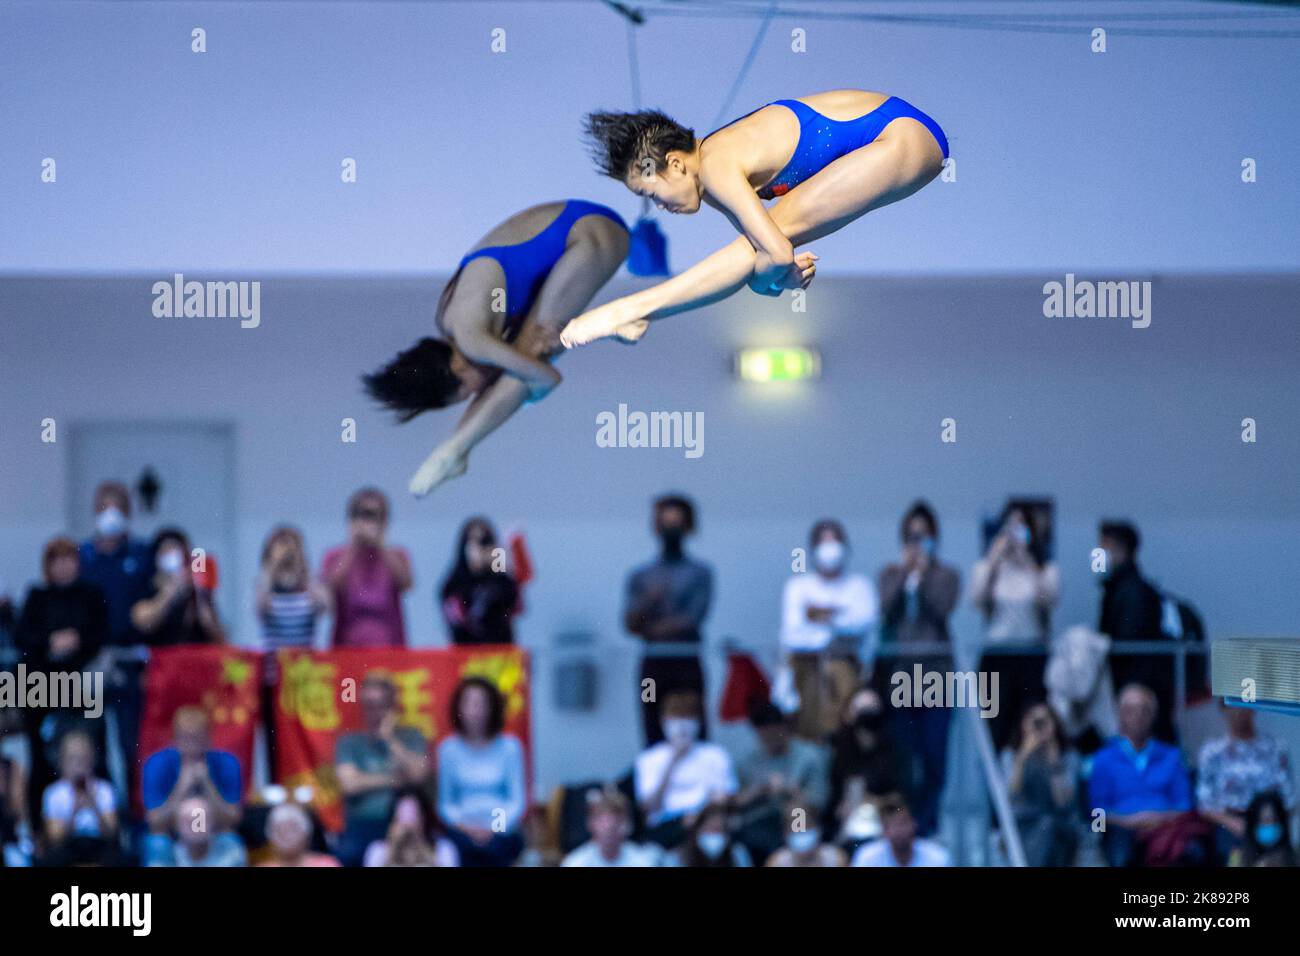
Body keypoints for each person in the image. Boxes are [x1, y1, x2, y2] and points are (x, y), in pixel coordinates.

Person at [560, 90, 947, 347]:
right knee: (760, 243)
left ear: (675, 164)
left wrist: (770, 279)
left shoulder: (715, 164)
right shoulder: (712, 180)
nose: (658, 207)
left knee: (763, 242)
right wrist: (774, 277)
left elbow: (771, 257)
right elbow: (765, 257)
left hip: (900, 137)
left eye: (650, 193)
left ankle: (630, 309)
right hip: (906, 139)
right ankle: (633, 311)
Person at [363, 201, 629, 495]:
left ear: (457, 368)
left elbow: (548, 378)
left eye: (466, 394)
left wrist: (533, 385)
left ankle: (453, 451)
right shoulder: (448, 320)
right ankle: (455, 448)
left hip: (594, 233)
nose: (476, 393)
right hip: (582, 227)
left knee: (531, 355)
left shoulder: (472, 339)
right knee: (526, 358)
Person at [876, 500, 960, 838]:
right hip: (900, 677)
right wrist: (904, 576)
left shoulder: (947, 575)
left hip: (936, 677)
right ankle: (904, 827)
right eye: (912, 536)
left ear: (935, 538)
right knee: (905, 759)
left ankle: (928, 827)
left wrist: (923, 577)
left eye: (924, 536)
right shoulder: (889, 574)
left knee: (934, 758)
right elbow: (885, 610)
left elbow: (941, 609)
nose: (917, 542)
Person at [15, 537, 109, 818]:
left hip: (81, 689)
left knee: (88, 757)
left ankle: (96, 823)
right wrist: (50, 641)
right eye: (57, 560)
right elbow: (23, 635)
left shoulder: (91, 595)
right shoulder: (36, 596)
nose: (63, 566)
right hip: (41, 688)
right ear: (48, 566)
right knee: (41, 760)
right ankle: (39, 829)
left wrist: (77, 640)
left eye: (69, 559)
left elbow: (102, 633)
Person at [78, 481, 155, 797]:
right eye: (103, 507)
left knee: (130, 741)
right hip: (92, 660)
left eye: (117, 508)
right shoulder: (82, 555)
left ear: (127, 513)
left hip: (129, 660)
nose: (110, 515)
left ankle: (134, 815)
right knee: (91, 740)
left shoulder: (141, 554)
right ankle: (102, 813)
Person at [624, 494, 713, 745]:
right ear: (656, 526)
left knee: (693, 728)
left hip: (685, 663)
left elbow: (692, 620)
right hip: (653, 665)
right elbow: (630, 624)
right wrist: (650, 602)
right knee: (652, 727)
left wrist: (650, 625)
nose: (670, 529)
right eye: (665, 522)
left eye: (677, 522)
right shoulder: (642, 576)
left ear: (688, 527)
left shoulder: (699, 573)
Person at [970, 502, 1060, 748]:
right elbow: (977, 598)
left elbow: (1050, 599)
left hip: (1031, 654)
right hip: (996, 656)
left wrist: (1028, 562)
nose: (1014, 535)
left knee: (1032, 725)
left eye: (1021, 529)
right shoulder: (988, 567)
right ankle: (994, 785)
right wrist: (994, 560)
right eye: (1009, 528)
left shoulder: (1045, 569)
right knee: (995, 729)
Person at [779, 519, 877, 740]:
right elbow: (793, 635)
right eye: (824, 542)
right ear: (813, 549)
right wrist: (838, 623)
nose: (830, 548)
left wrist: (821, 617)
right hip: (807, 673)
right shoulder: (798, 587)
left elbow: (862, 622)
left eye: (835, 541)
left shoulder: (859, 586)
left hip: (849, 671)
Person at [1088, 684, 1197, 868]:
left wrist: (1157, 819)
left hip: (1166, 831)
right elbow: (1096, 813)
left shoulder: (1172, 756)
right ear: (1120, 714)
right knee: (1120, 853)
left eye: (1144, 710)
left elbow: (1185, 806)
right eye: (1130, 710)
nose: (1137, 717)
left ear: (1153, 715)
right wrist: (1129, 821)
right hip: (1122, 832)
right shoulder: (1103, 759)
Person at [256, 525, 331, 780]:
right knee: (275, 740)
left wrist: (303, 568)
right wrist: (272, 565)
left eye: (291, 546)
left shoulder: (310, 587)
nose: (286, 552)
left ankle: (307, 788)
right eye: (280, 546)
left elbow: (325, 606)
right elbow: (260, 607)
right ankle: (277, 787)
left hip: (304, 681)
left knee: (304, 739)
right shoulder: (264, 587)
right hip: (272, 680)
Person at [334, 673, 430, 866]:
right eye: (369, 706)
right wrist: (395, 780)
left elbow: (419, 776)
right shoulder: (349, 742)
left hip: (405, 826)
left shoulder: (412, 737)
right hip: (363, 822)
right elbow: (350, 784)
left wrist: (390, 739)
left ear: (393, 707)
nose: (375, 713)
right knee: (348, 854)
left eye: (381, 705)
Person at [1097, 520, 1175, 742]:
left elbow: (1128, 637)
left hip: (1137, 682)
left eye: (1101, 548)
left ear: (1114, 546)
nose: (1098, 556)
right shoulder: (1118, 588)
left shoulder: (1135, 591)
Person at [436, 677, 526, 867]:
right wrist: (468, 828)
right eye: (469, 703)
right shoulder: (448, 749)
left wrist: (492, 829)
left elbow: (516, 801)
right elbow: (446, 804)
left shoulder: (510, 747)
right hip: (462, 829)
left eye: (481, 703)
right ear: (458, 708)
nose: (475, 710)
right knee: (456, 848)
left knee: (497, 849)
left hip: (501, 829)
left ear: (492, 708)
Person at [140, 707, 243, 865]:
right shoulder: (157, 764)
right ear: (174, 739)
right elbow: (155, 823)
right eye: (185, 739)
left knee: (230, 842)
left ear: (209, 739)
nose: (192, 745)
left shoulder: (227, 763)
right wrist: (181, 788)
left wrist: (208, 784)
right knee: (157, 843)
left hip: (213, 836)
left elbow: (232, 819)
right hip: (173, 838)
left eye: (197, 738)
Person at [634, 690, 737, 846]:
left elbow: (729, 795)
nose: (682, 727)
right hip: (666, 828)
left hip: (705, 823)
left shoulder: (715, 755)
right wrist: (673, 761)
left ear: (698, 722)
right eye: (675, 719)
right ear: (663, 722)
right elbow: (648, 807)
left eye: (687, 719)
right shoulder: (649, 759)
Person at [732, 701, 830, 862]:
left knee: (799, 820)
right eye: (764, 734)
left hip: (798, 818)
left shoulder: (808, 756)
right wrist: (757, 792)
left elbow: (819, 802)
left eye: (774, 731)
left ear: (784, 727)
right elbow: (736, 804)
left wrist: (790, 790)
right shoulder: (748, 761)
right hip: (761, 823)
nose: (770, 738)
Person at [1196, 702, 1294, 863]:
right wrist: (1236, 824)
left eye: (1244, 704)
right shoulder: (1212, 752)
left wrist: (1266, 823)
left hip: (1269, 822)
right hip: (1230, 825)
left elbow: (1288, 798)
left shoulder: (1276, 747)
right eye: (1232, 704)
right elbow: (1205, 804)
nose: (1239, 710)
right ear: (1223, 708)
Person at [320, 489, 412, 649]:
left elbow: (406, 583)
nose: (367, 521)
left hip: (390, 645)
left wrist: (380, 543)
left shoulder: (396, 555)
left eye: (373, 515)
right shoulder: (336, 556)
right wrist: (353, 545)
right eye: (361, 514)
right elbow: (332, 585)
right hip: (346, 646)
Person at [999, 701, 1079, 867]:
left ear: (1054, 725)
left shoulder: (1069, 757)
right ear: (1023, 725)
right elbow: (1011, 797)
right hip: (1023, 826)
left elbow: (1064, 804)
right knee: (1041, 828)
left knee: (1047, 826)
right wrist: (1024, 756)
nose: (1039, 727)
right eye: (1035, 722)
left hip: (1059, 827)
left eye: (1044, 722)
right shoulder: (1010, 756)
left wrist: (1053, 761)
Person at [827, 688, 904, 846]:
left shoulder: (895, 751)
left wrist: (875, 803)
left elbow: (902, 799)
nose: (866, 719)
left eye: (872, 712)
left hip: (883, 828)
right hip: (843, 829)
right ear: (848, 713)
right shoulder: (837, 749)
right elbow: (828, 799)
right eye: (861, 712)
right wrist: (839, 807)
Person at [130, 528, 227, 646]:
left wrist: (200, 592)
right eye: (165, 551)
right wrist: (170, 591)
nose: (171, 555)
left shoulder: (194, 591)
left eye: (175, 550)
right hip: (160, 659)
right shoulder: (147, 587)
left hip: (192, 658)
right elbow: (143, 622)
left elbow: (218, 636)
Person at [39, 730, 122, 866]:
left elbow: (111, 834)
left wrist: (94, 805)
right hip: (68, 846)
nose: (78, 765)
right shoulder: (53, 793)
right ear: (62, 761)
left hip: (98, 845)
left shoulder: (104, 789)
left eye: (83, 759)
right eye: (73, 759)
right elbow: (55, 838)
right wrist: (74, 809)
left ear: (92, 759)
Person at [440, 517, 520, 645]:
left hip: (500, 656)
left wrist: (498, 566)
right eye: (472, 541)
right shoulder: (453, 585)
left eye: (484, 542)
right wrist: (473, 571)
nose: (478, 548)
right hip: (465, 657)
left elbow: (513, 606)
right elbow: (457, 619)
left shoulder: (503, 582)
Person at [561, 787, 663, 867]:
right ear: (590, 824)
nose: (608, 827)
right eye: (601, 821)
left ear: (627, 826)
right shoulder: (575, 863)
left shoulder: (643, 862)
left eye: (615, 822)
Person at [363, 786, 459, 867]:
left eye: (413, 815)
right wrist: (393, 847)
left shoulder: (443, 848)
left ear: (423, 818)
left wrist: (420, 845)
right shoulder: (378, 850)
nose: (407, 823)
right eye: (401, 816)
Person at [850, 796, 952, 867]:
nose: (901, 831)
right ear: (885, 830)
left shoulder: (938, 858)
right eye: (895, 825)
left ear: (914, 824)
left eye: (904, 823)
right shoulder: (867, 858)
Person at [164, 795, 247, 867]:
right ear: (177, 826)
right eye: (189, 822)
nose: (196, 829)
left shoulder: (230, 850)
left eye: (201, 821)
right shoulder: (167, 856)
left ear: (213, 823)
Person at [257, 802, 340, 867]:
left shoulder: (327, 865)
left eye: (292, 829)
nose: (285, 836)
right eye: (279, 831)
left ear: (307, 834)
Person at [671, 801, 752, 867]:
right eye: (711, 829)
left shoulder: (737, 854)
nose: (715, 836)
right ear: (697, 830)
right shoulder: (678, 858)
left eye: (719, 831)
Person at [765, 804, 846, 867]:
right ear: (785, 834)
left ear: (818, 828)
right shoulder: (776, 863)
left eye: (807, 826)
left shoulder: (835, 859)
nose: (802, 832)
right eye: (796, 828)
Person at [1230, 791, 1295, 867]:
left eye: (1274, 820)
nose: (1269, 825)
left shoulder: (1294, 855)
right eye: (1264, 821)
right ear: (1253, 825)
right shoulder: (1237, 857)